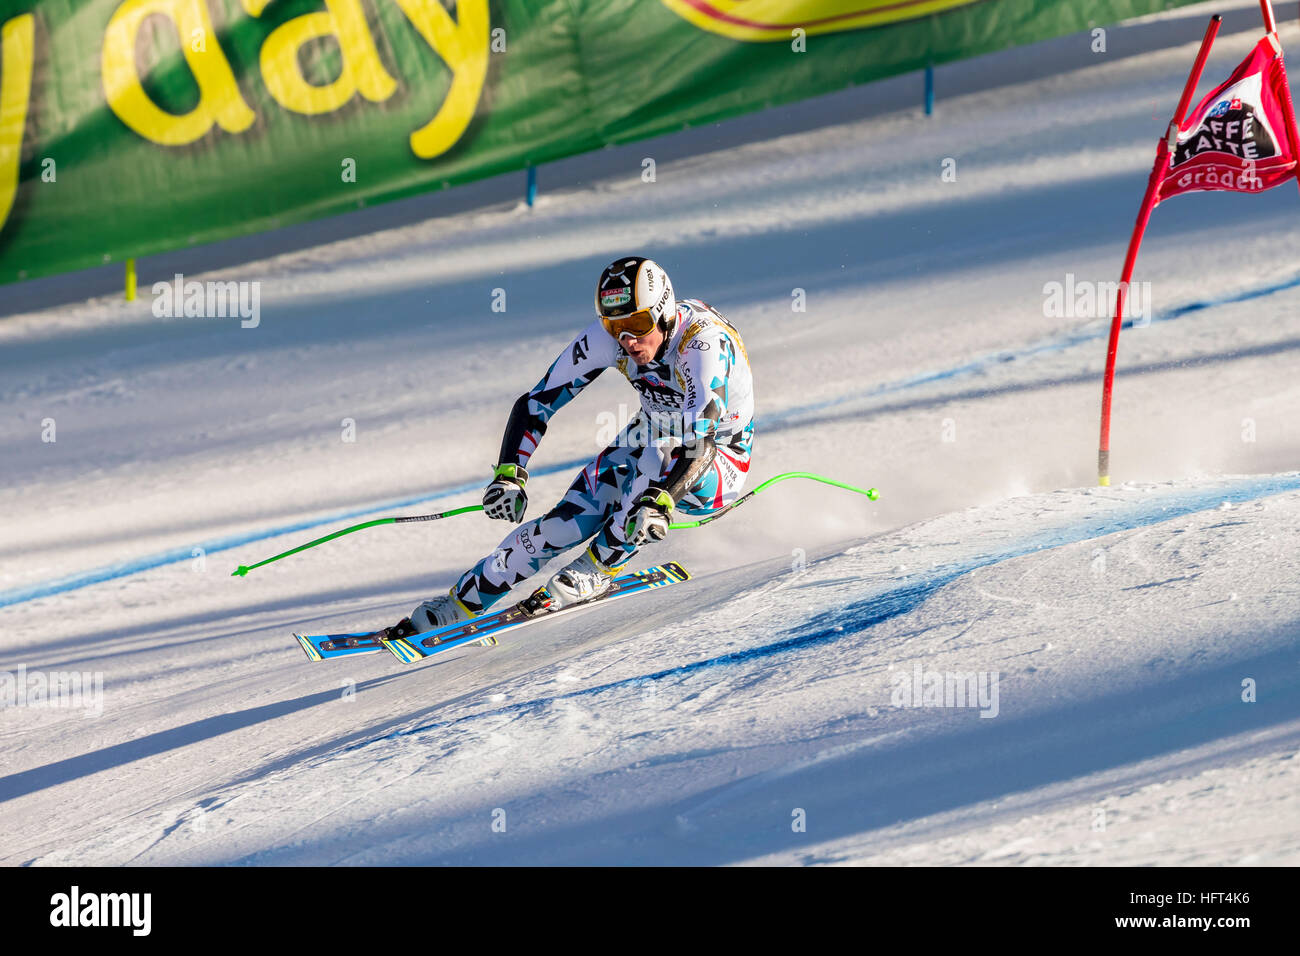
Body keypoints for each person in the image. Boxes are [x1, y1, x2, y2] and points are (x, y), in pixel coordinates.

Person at [408, 255, 755, 631]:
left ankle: (598, 568)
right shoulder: (610, 339)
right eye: (616, 326)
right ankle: (462, 603)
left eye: (638, 323)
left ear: (665, 311)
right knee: (565, 523)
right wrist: (510, 473)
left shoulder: (701, 344)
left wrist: (662, 498)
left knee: (662, 454)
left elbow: (696, 439)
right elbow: (537, 403)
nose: (629, 341)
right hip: (654, 432)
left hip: (717, 459)